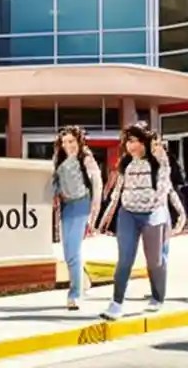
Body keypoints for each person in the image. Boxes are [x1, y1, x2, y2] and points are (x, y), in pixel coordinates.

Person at [98, 122, 179, 320]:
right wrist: (105, 217)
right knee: (125, 259)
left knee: (155, 261)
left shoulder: (157, 163)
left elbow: (164, 188)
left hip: (152, 214)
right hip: (128, 214)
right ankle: (116, 303)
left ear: (144, 142)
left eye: (135, 141)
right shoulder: (125, 164)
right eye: (128, 142)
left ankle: (158, 297)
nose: (130, 146)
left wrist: (162, 160)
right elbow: (117, 192)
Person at [51, 126, 104, 310]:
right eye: (64, 142)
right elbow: (54, 184)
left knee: (73, 250)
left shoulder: (86, 158)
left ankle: (74, 294)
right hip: (67, 207)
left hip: (82, 204)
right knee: (68, 253)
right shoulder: (59, 159)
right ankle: (83, 280)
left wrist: (94, 215)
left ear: (79, 141)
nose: (68, 145)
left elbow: (97, 185)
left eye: (71, 141)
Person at [149, 133, 188, 299]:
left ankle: (159, 292)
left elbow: (170, 190)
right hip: (147, 215)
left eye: (159, 144)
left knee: (162, 254)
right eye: (154, 144)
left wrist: (181, 213)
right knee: (152, 256)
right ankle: (156, 289)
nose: (158, 148)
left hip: (163, 215)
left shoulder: (165, 166)